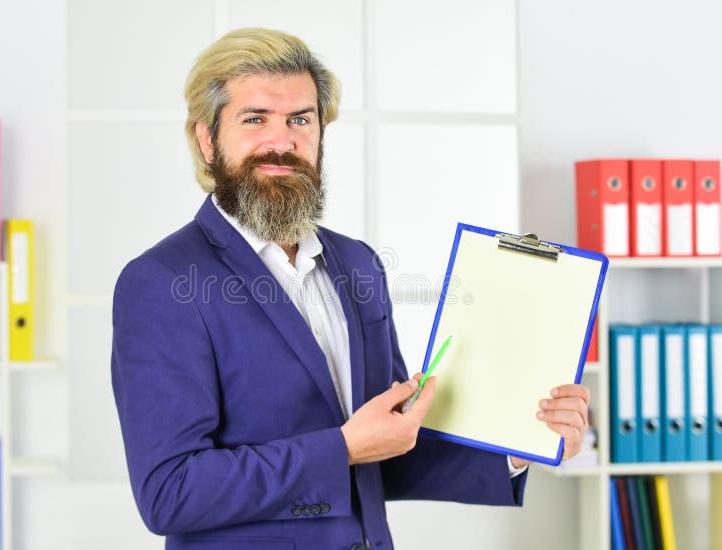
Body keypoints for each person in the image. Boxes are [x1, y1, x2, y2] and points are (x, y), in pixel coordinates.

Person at [111, 27, 590, 550]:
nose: (283, 141)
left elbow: (385, 447)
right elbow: (170, 492)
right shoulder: (160, 282)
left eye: (301, 119)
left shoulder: (357, 264)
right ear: (207, 139)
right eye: (255, 119)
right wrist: (340, 448)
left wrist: (521, 449)